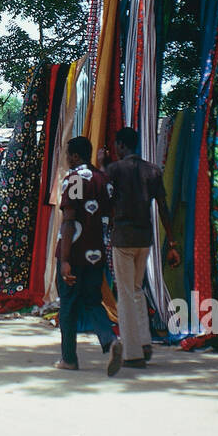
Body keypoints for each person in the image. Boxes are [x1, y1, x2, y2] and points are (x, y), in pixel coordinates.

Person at [103, 126, 177, 368]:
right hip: (144, 239)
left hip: (123, 238)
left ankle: (133, 352)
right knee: (135, 289)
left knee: (125, 293)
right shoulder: (152, 171)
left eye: (117, 145)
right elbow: (163, 208)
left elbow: (106, 199)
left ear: (122, 145)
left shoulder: (115, 169)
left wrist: (103, 166)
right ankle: (144, 341)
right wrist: (173, 242)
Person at [55, 136, 122, 375]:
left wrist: (64, 260)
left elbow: (70, 220)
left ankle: (69, 358)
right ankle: (110, 340)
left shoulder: (74, 179)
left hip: (73, 252)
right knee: (93, 300)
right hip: (96, 252)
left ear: (74, 156)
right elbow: (110, 214)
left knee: (69, 305)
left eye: (67, 154)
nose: (66, 158)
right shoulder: (104, 179)